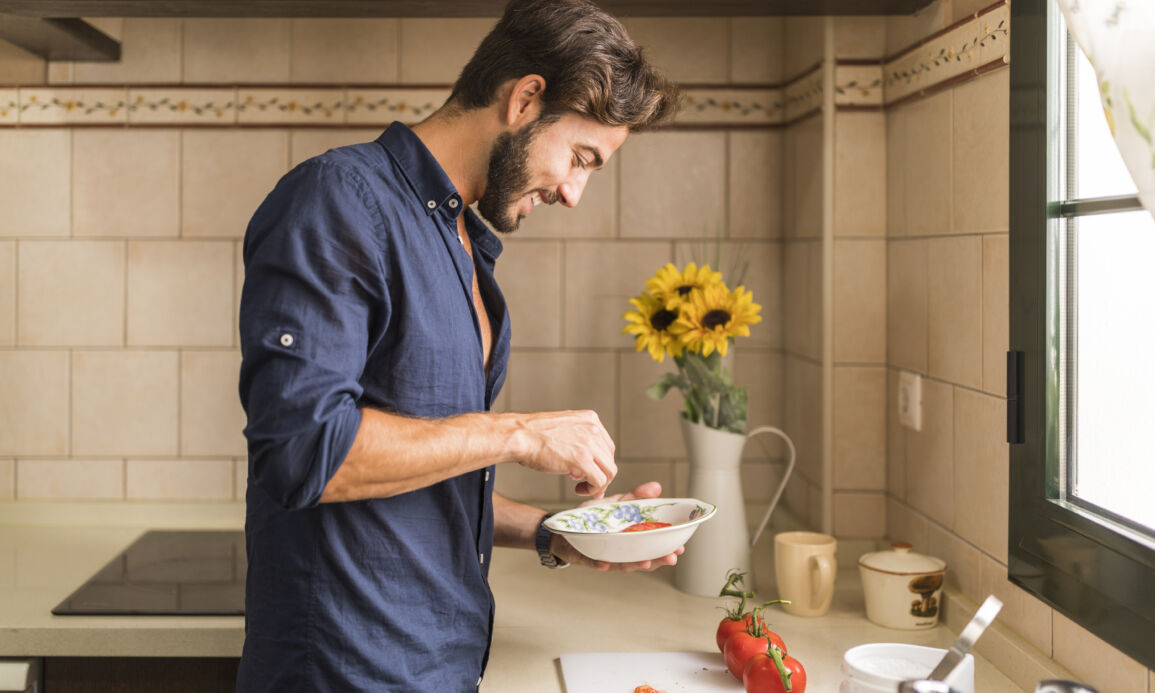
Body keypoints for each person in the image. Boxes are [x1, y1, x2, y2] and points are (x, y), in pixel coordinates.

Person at [235, 0, 682, 689]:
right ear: (525, 99)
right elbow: (303, 450)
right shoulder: (337, 200)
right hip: (345, 671)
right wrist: (519, 434)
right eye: (580, 157)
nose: (573, 193)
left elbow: (414, 486)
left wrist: (555, 532)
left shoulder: (461, 243)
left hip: (437, 665)